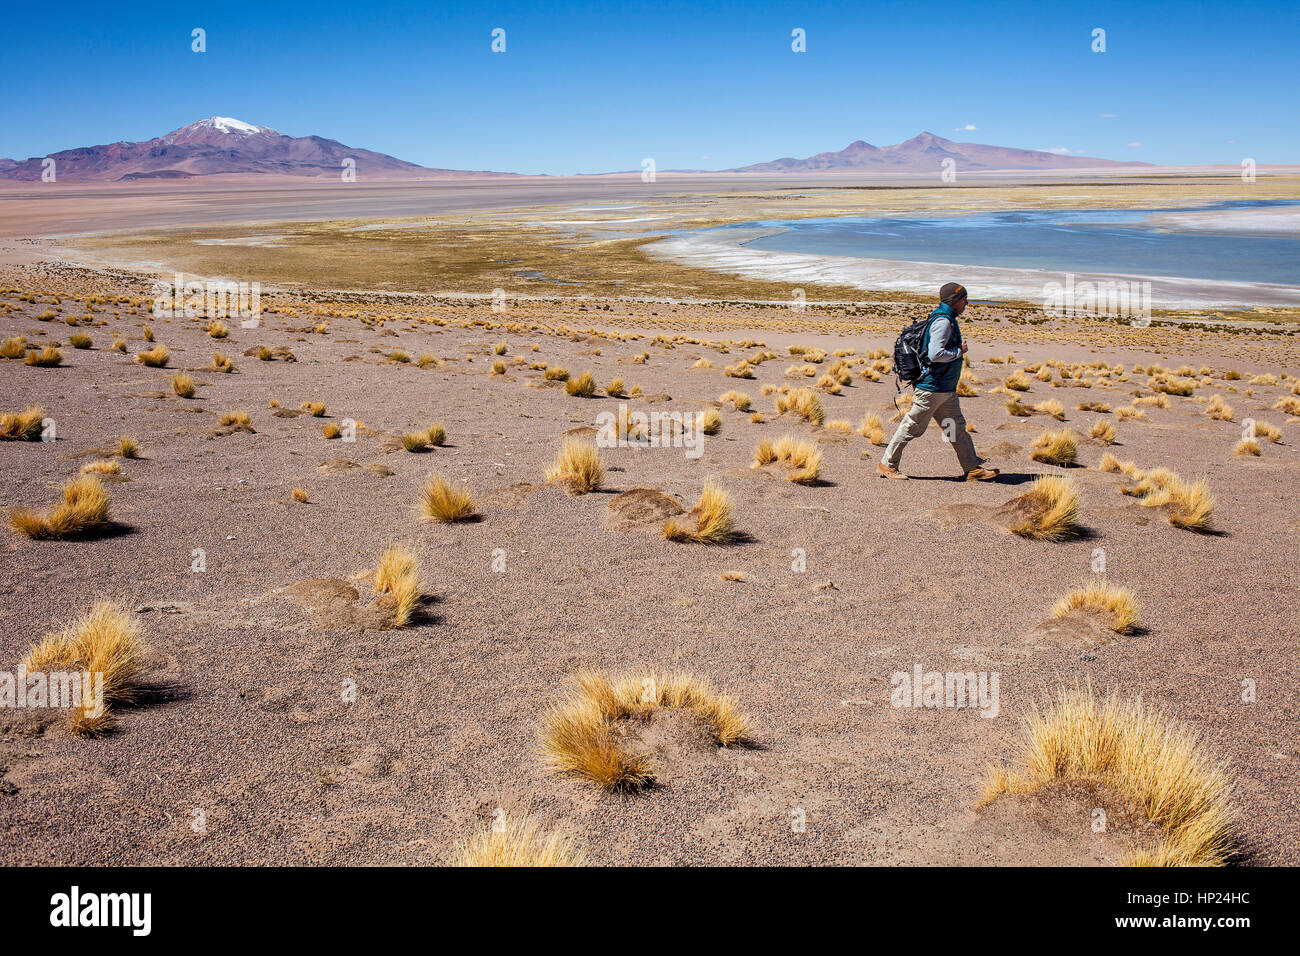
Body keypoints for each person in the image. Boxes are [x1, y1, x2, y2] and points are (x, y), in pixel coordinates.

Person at [877, 282, 999, 481]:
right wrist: (960, 351)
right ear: (955, 300)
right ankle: (887, 465)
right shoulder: (943, 321)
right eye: (963, 299)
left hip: (944, 390)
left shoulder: (947, 318)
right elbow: (935, 354)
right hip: (932, 389)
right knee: (911, 426)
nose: (966, 303)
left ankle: (972, 469)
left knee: (956, 429)